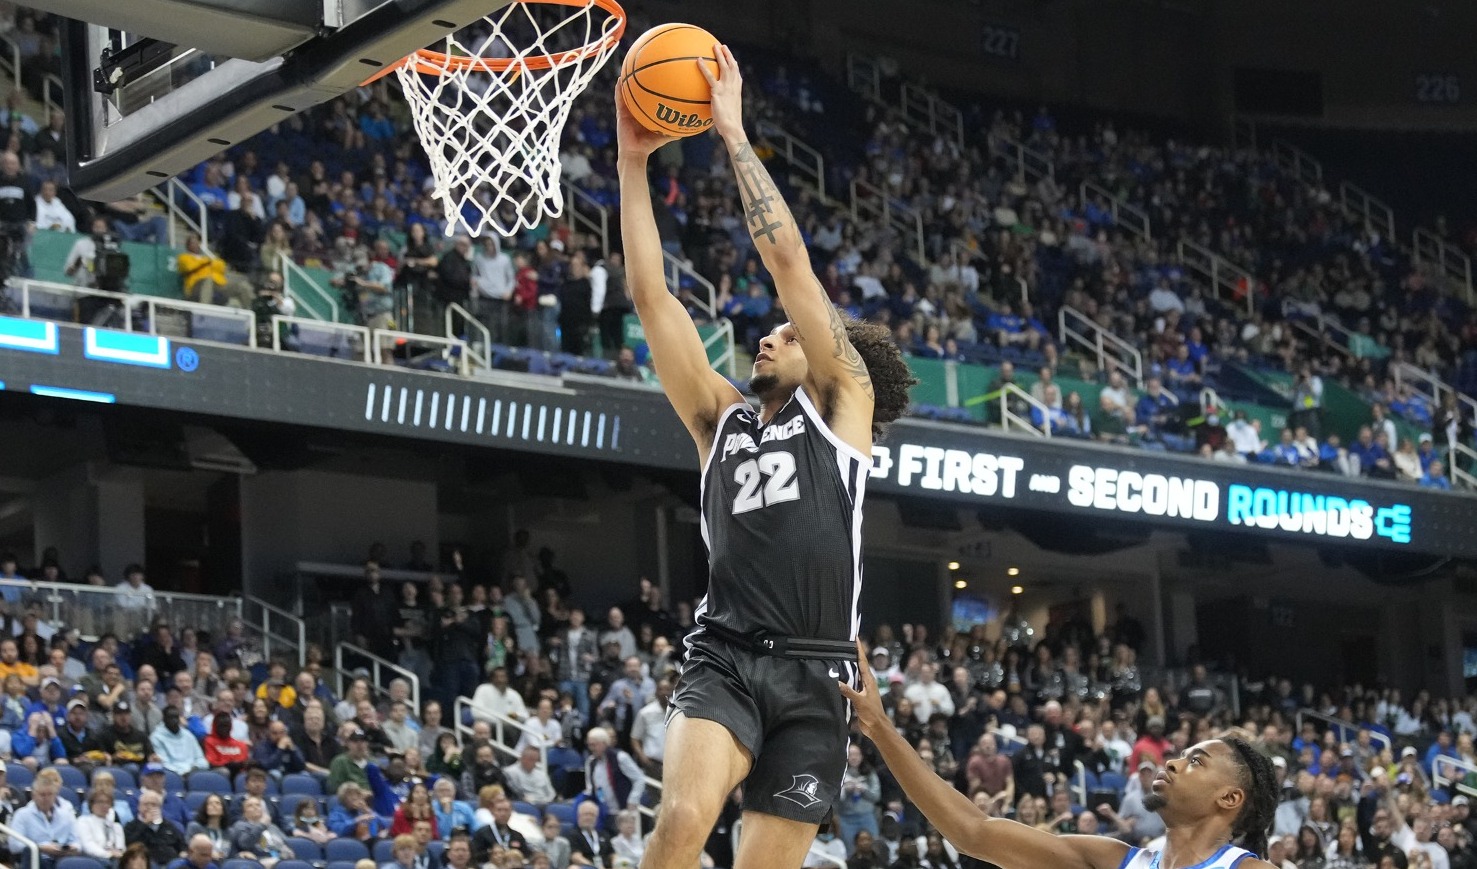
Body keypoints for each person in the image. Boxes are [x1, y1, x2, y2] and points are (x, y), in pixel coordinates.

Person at [615, 44, 913, 869]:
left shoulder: (842, 407)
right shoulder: (720, 419)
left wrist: (731, 132)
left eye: (787, 333)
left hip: (819, 678)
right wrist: (632, 162)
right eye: (772, 330)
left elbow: (787, 261)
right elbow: (652, 299)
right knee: (681, 819)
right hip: (727, 655)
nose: (769, 336)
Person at [840, 644, 1280, 869]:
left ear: (1229, 798)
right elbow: (972, 832)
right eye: (1183, 755)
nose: (1172, 762)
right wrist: (879, 728)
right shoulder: (1114, 860)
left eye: (1196, 762)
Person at [11, 769, 79, 869]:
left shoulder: (66, 814)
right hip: (37, 859)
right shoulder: (22, 814)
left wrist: (72, 847)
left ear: (55, 795)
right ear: (33, 795)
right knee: (31, 853)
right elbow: (14, 845)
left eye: (50, 794)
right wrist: (40, 847)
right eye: (42, 795)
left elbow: (77, 841)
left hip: (62, 859)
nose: (46, 798)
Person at [76, 789, 127, 863]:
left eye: (108, 802)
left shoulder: (116, 827)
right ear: (92, 804)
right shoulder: (84, 821)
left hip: (116, 860)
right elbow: (88, 845)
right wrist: (108, 854)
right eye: (100, 802)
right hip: (94, 860)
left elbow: (121, 849)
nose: (104, 805)